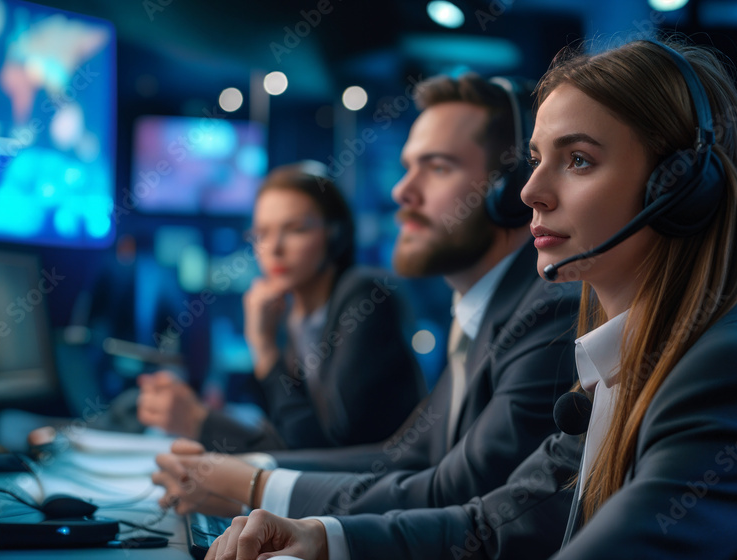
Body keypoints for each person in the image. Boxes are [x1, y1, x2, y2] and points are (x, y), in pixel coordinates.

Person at [201, 39, 737, 560]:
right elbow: (493, 525)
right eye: (536, 159)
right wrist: (323, 539)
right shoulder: (629, 365)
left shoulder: (730, 374)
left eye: (578, 160)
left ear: (677, 188)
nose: (529, 192)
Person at [150, 74, 580, 520]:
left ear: (510, 190)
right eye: (407, 167)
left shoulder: (546, 313)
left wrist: (254, 485)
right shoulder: (478, 313)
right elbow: (404, 458)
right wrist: (248, 470)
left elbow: (460, 491)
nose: (401, 190)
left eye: (437, 167)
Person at [136, 161, 426, 452]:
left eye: (295, 229)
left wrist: (263, 349)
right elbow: (284, 433)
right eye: (261, 234)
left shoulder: (364, 295)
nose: (274, 249)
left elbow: (323, 449)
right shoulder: (291, 316)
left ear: (335, 234)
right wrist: (201, 419)